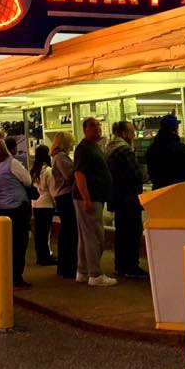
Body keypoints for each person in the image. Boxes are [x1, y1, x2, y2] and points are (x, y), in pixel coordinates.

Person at [73, 118, 117, 286]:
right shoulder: (84, 149)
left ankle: (83, 271)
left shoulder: (94, 147)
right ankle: (95, 274)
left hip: (95, 196)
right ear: (85, 129)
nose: (97, 128)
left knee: (86, 236)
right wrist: (86, 198)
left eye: (98, 125)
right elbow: (79, 174)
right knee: (95, 235)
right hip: (89, 197)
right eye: (93, 126)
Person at [0, 138, 33, 289]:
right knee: (20, 242)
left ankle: (5, 274)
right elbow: (27, 180)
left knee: (7, 243)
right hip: (18, 204)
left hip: (1, 206)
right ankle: (17, 276)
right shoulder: (11, 163)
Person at [106, 121, 146, 278]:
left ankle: (120, 265)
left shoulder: (110, 149)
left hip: (117, 198)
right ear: (123, 133)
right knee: (133, 232)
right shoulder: (125, 150)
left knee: (121, 233)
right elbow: (138, 174)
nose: (134, 135)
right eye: (131, 132)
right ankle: (131, 266)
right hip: (129, 198)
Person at [145, 114, 185, 189]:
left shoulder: (151, 150)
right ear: (176, 128)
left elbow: (151, 174)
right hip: (180, 193)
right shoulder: (184, 150)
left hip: (159, 193)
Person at [50, 132, 78, 279]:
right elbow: (70, 176)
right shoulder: (61, 157)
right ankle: (69, 266)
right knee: (70, 231)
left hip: (62, 197)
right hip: (66, 196)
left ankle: (64, 265)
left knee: (66, 231)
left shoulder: (57, 157)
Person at [29, 145, 56, 266]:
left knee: (39, 232)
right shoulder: (48, 171)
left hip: (36, 204)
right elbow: (52, 189)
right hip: (46, 204)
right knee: (45, 232)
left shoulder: (34, 170)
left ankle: (40, 255)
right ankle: (45, 256)